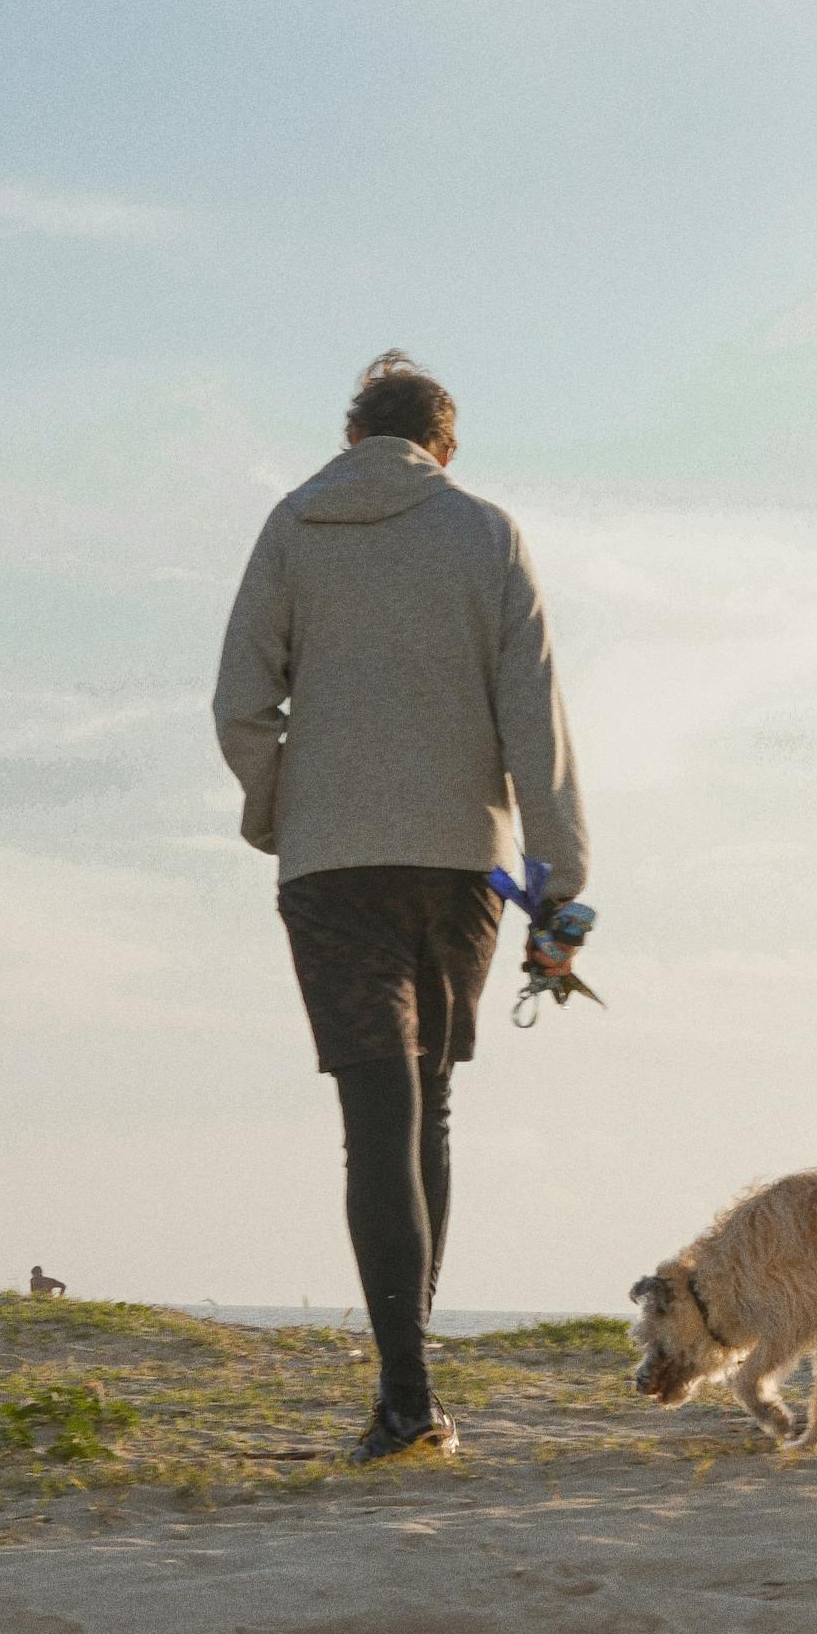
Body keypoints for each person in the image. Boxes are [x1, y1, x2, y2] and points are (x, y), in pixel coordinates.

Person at [212, 351, 589, 1463]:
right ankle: (409, 1393)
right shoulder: (485, 532)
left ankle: (406, 1399)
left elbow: (242, 704)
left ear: (351, 435)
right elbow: (536, 718)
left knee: (374, 1118)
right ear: (442, 444)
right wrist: (558, 884)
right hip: (460, 864)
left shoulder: (292, 525)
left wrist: (284, 810)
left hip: (333, 869)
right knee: (427, 1110)